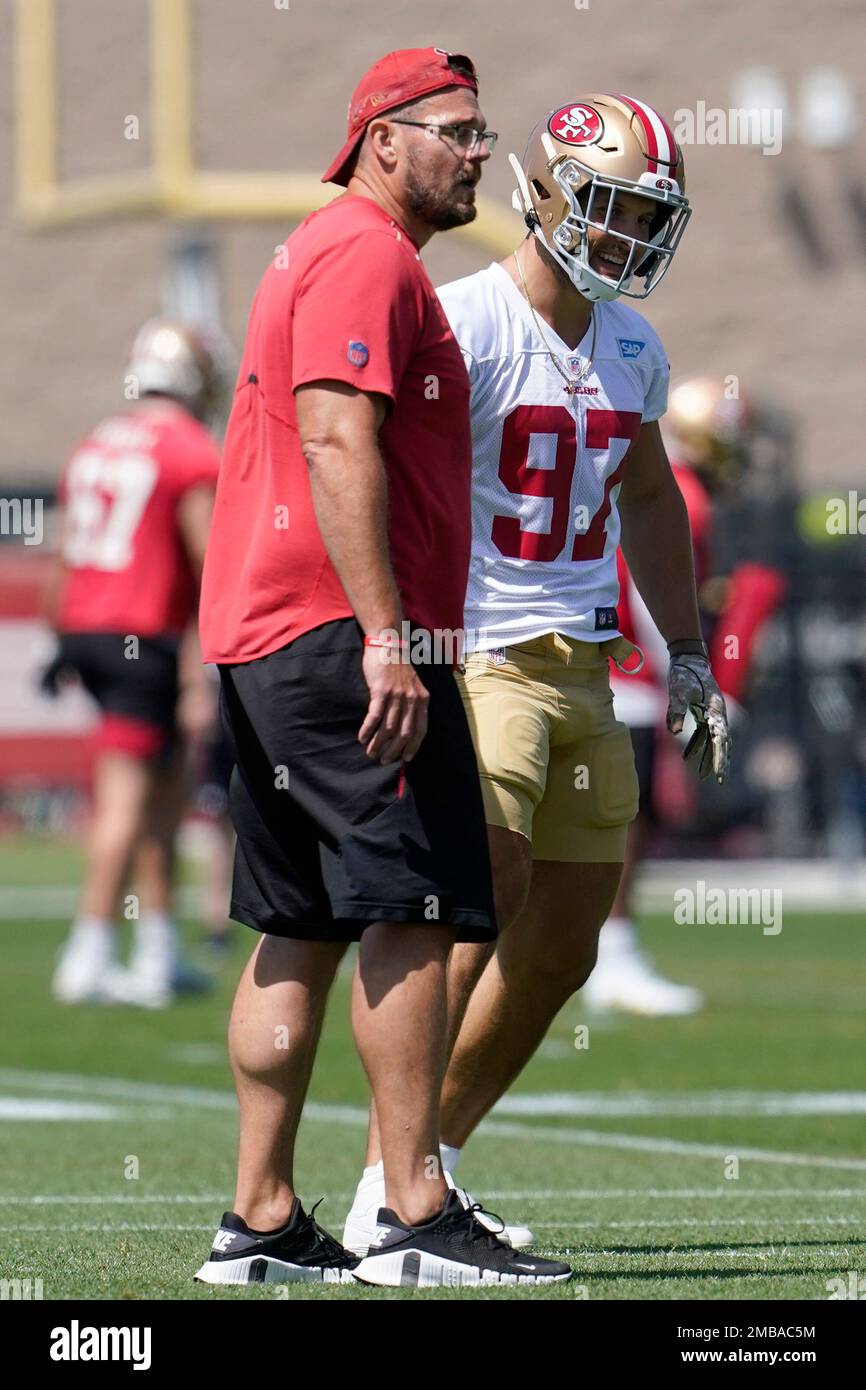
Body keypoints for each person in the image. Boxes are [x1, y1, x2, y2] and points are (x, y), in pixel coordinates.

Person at [194, 48, 572, 1289]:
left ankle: (258, 1216)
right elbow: (333, 433)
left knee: (293, 924)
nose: (478, 152)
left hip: (265, 637)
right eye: (456, 131)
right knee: (405, 906)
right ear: (382, 138)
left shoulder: (322, 249)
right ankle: (410, 1206)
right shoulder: (364, 249)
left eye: (480, 130)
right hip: (335, 635)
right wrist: (384, 633)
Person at [343, 94, 731, 1253]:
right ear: (549, 190)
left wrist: (691, 653)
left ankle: (430, 1167)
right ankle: (390, 1184)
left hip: (583, 659)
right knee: (474, 907)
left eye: (645, 216)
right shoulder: (460, 322)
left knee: (566, 939)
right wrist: (387, 633)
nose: (626, 237)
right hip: (475, 652)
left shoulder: (630, 343)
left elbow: (651, 497)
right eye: (610, 207)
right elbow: (373, 470)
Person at [587, 377, 786, 1014]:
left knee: (615, 823)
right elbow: (649, 595)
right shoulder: (683, 495)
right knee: (627, 823)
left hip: (615, 671)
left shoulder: (659, 481)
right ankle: (611, 955)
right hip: (630, 678)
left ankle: (602, 952)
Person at [45, 319, 227, 1007]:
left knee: (165, 791)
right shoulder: (186, 448)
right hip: (140, 634)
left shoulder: (98, 439)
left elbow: (65, 555)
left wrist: (59, 637)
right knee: (127, 798)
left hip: (89, 630)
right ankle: (88, 951)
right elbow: (207, 561)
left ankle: (157, 947)